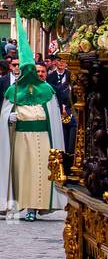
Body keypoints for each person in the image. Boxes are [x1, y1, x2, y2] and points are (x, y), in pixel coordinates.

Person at [0, 16, 67, 221]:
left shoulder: (47, 90)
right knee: (21, 171)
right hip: (20, 137)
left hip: (42, 138)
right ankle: (18, 203)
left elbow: (52, 117)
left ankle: (35, 206)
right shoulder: (14, 89)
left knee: (39, 172)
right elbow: (5, 114)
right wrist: (8, 119)